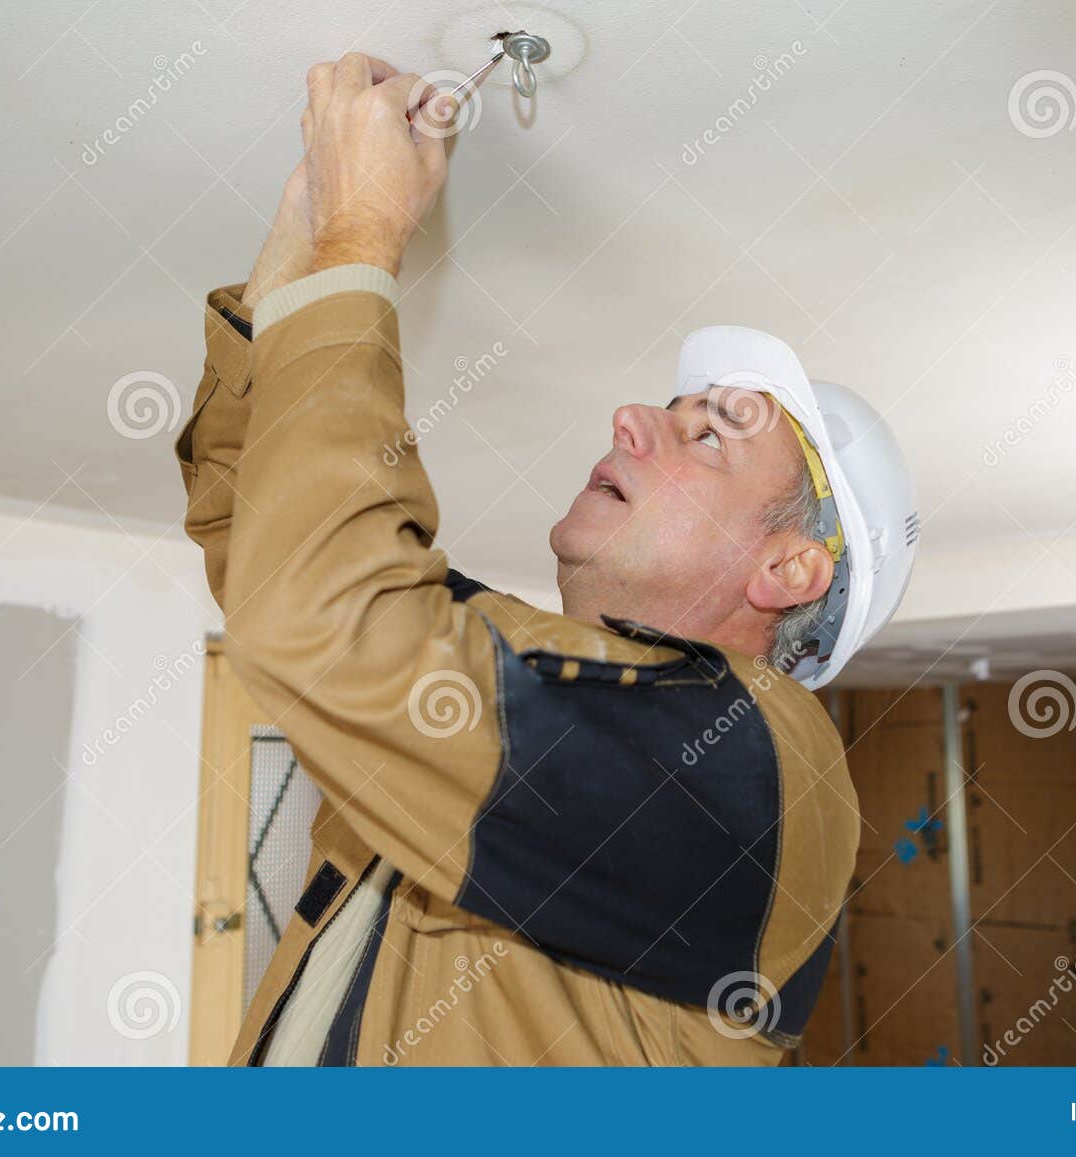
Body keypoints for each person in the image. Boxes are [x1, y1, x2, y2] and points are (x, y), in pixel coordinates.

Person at [175, 52, 917, 1066]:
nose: (635, 416)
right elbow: (265, 541)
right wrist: (311, 231)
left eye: (709, 435)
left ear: (789, 570)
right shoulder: (538, 690)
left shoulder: (758, 775)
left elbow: (318, 614)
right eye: (670, 405)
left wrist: (364, 240)